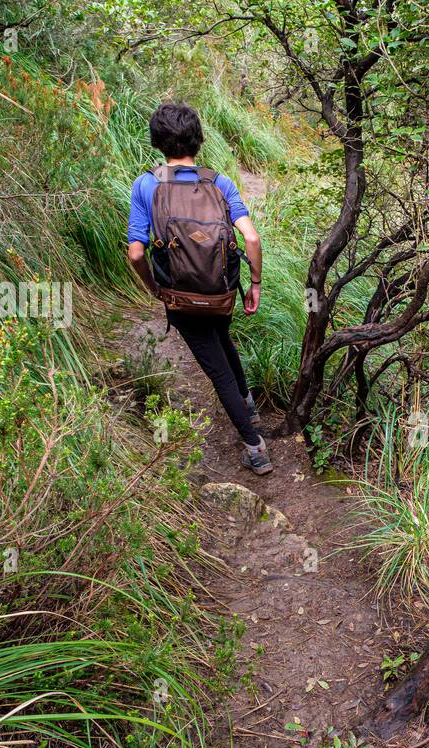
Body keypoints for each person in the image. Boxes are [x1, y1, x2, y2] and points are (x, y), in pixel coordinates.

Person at [126, 102, 273, 475]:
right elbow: (251, 238)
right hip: (221, 291)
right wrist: (253, 284)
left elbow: (136, 253)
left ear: (158, 142)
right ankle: (249, 406)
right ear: (199, 139)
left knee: (216, 369)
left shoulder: (146, 185)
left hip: (180, 295)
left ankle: (255, 447)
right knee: (222, 339)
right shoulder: (218, 182)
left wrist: (154, 288)